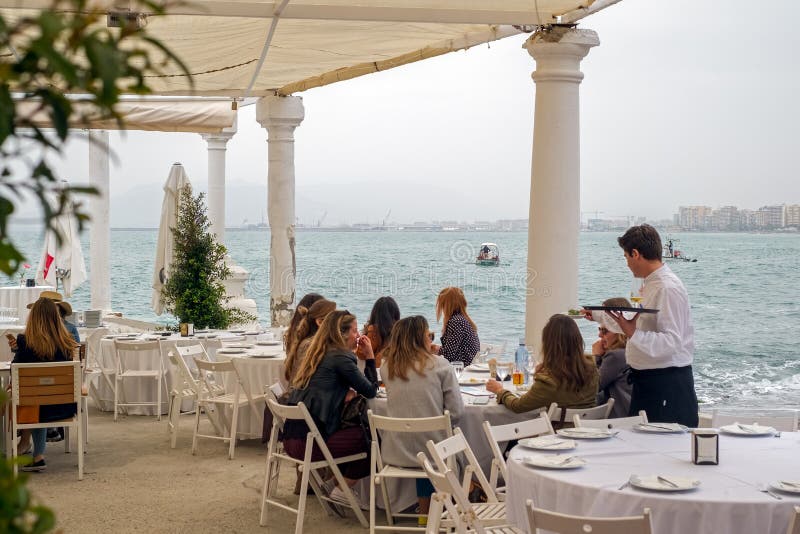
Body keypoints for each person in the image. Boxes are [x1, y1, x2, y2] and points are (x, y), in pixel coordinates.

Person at [603, 224, 698, 427]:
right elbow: (638, 325)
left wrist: (633, 333)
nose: (627, 263)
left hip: (666, 385)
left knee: (662, 453)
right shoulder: (650, 284)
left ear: (636, 254)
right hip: (648, 383)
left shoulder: (667, 288)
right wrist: (596, 316)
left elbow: (671, 342)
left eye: (626, 257)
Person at [283, 310, 379, 506]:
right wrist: (370, 357)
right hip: (309, 444)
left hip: (291, 439)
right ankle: (342, 489)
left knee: (358, 433)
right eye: (354, 330)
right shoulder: (341, 357)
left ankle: (332, 486)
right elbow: (370, 390)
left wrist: (345, 392)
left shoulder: (318, 353)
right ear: (340, 333)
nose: (358, 335)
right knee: (374, 441)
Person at [380, 316, 463, 525]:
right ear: (420, 339)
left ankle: (425, 514)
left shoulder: (387, 367)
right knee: (442, 443)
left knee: (424, 440)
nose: (432, 340)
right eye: (429, 335)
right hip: (433, 454)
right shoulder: (441, 366)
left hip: (395, 451)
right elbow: (456, 412)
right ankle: (455, 506)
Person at [12, 297, 79, 471]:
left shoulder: (25, 342)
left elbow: (15, 370)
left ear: (32, 318)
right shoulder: (66, 343)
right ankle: (38, 455)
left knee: (30, 399)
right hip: (63, 406)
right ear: (57, 317)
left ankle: (26, 448)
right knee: (37, 398)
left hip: (36, 407)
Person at [486, 314, 598, 417]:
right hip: (590, 431)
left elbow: (517, 406)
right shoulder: (592, 369)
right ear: (577, 339)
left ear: (548, 343)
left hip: (556, 436)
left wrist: (500, 390)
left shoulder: (549, 381)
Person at [281, 298, 337, 390]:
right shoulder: (312, 346)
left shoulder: (305, 342)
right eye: (334, 318)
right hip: (303, 400)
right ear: (320, 322)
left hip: (297, 398)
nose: (338, 322)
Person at [592, 298, 633, 418]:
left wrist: (596, 356)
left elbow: (592, 386)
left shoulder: (616, 356)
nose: (599, 335)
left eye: (604, 330)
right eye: (600, 329)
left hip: (617, 419)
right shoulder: (632, 351)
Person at [433, 287, 480, 366]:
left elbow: (448, 355)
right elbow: (454, 349)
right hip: (469, 365)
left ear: (446, 304)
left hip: (461, 368)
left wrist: (435, 348)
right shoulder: (463, 319)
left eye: (442, 303)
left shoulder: (456, 322)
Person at [356, 296, 400, 368]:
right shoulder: (399, 331)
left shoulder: (374, 331)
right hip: (394, 370)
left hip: (378, 371)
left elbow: (361, 354)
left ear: (375, 313)